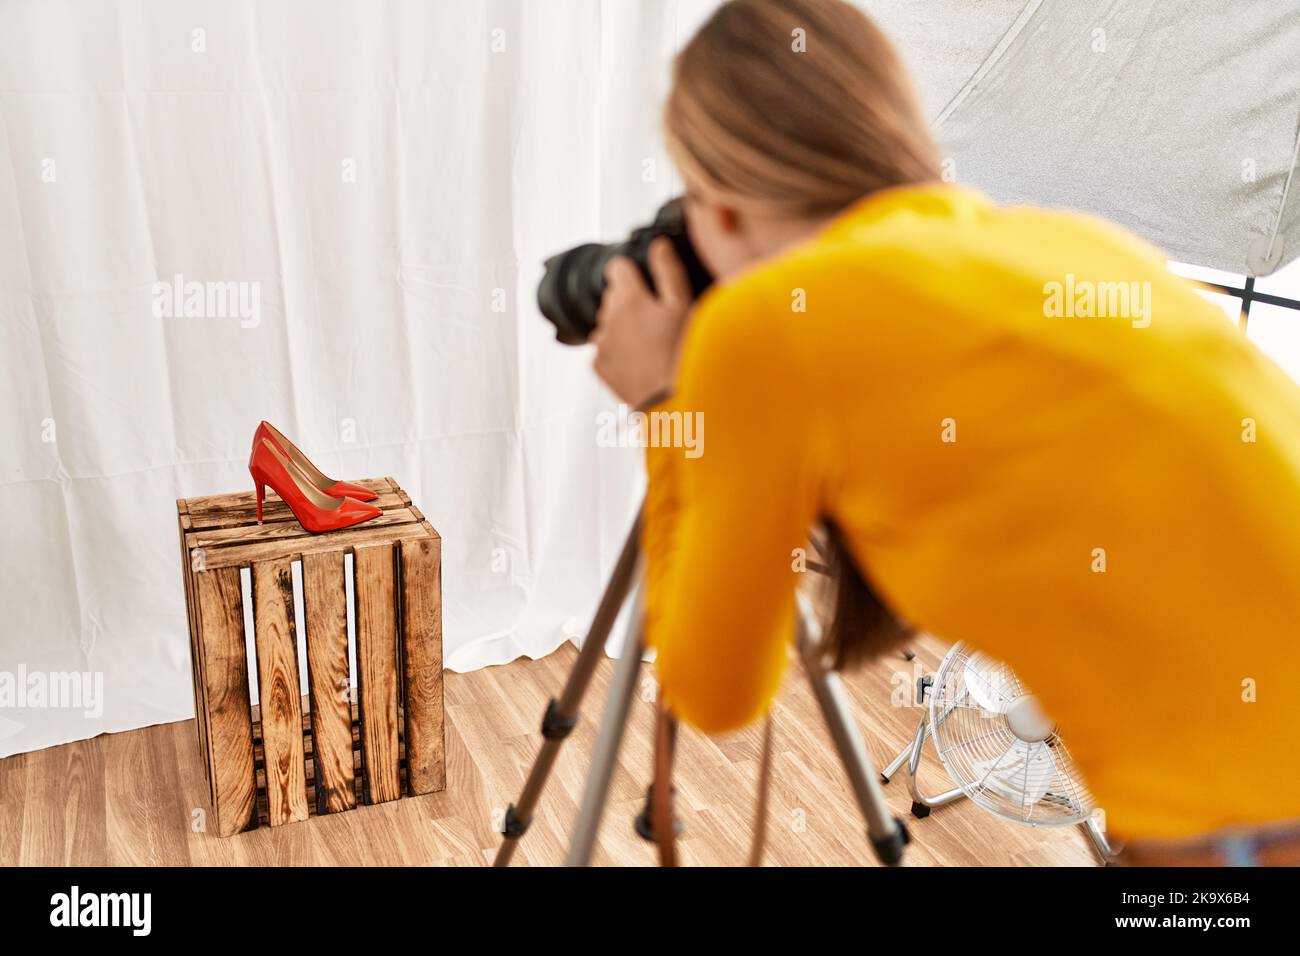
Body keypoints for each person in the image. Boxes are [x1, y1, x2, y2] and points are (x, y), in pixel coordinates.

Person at [589, 0, 1300, 865]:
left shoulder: (766, 327)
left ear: (721, 206)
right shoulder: (1068, 246)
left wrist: (671, 397)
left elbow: (712, 692)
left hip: (1247, 831)